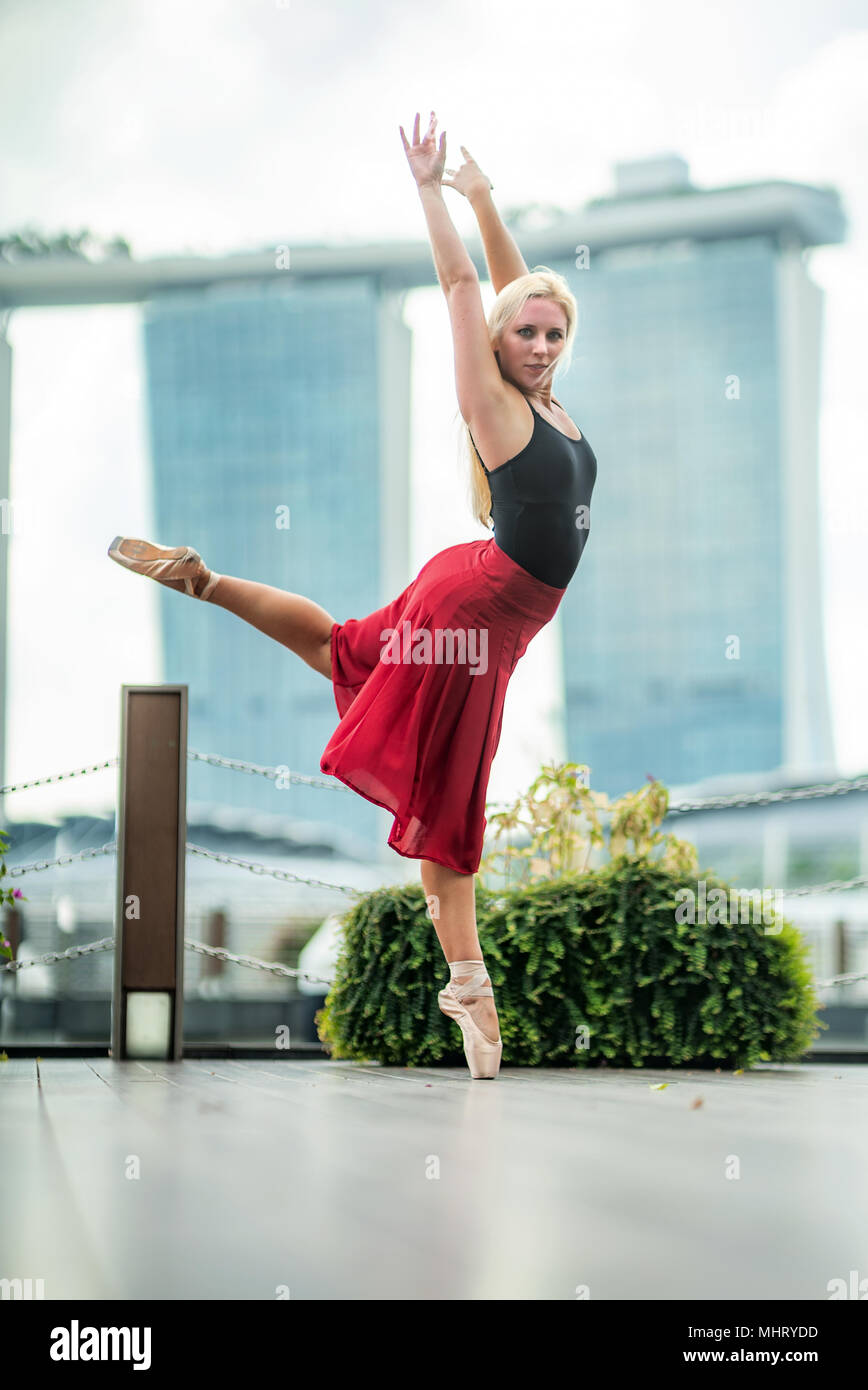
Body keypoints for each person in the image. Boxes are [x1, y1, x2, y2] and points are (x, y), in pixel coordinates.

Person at [108, 111, 597, 1081]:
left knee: (343, 651)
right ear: (496, 345)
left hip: (479, 601)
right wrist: (427, 191)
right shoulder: (494, 401)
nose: (538, 343)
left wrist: (484, 195)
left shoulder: (546, 398)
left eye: (551, 332)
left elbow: (507, 284)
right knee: (444, 800)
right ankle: (466, 981)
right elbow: (469, 287)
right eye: (524, 334)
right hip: (474, 615)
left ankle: (200, 578)